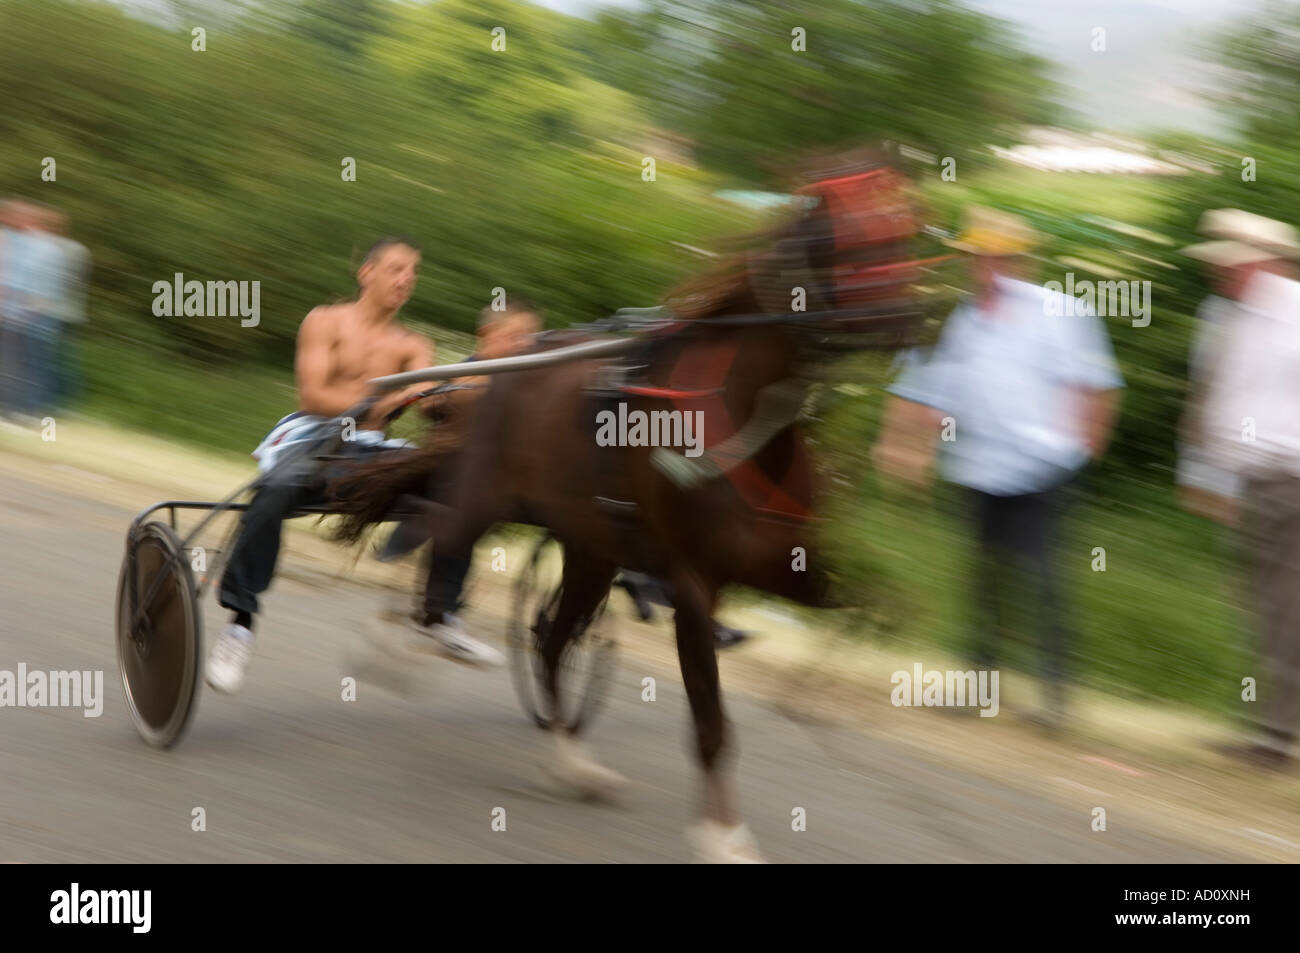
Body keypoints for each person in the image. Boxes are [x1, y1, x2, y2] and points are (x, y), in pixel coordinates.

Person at [872, 207, 1124, 728]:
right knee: (983, 582)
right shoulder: (964, 320)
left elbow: (1099, 385)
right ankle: (980, 689)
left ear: (1019, 261)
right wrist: (906, 446)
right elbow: (933, 395)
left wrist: (1082, 451)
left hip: (1043, 470)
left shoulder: (1061, 313)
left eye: (995, 257)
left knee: (1044, 581)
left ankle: (1055, 700)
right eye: (977, 256)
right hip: (980, 469)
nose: (985, 266)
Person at [206, 237, 440, 694]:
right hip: (311, 437)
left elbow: (429, 397)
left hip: (369, 449)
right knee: (274, 490)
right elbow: (314, 396)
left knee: (453, 480)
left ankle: (436, 615)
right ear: (366, 273)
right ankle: (239, 625)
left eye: (413, 271)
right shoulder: (325, 321)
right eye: (396, 268)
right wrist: (382, 401)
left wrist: (473, 384)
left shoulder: (412, 344)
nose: (407, 278)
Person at [1184, 210, 1300, 767]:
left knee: (1285, 609)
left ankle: (1275, 738)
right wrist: (1211, 475)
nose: (1218, 274)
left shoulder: (1294, 315)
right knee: (1264, 607)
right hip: (1256, 480)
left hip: (1291, 480)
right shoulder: (1240, 318)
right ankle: (1267, 730)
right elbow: (1220, 398)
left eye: (1227, 265)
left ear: (1257, 262)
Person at [407, 298, 542, 662]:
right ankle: (440, 614)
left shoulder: (523, 382)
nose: (523, 345)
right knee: (467, 501)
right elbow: (430, 407)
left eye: (530, 338)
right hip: (457, 477)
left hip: (511, 481)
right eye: (515, 336)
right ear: (486, 335)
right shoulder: (470, 371)